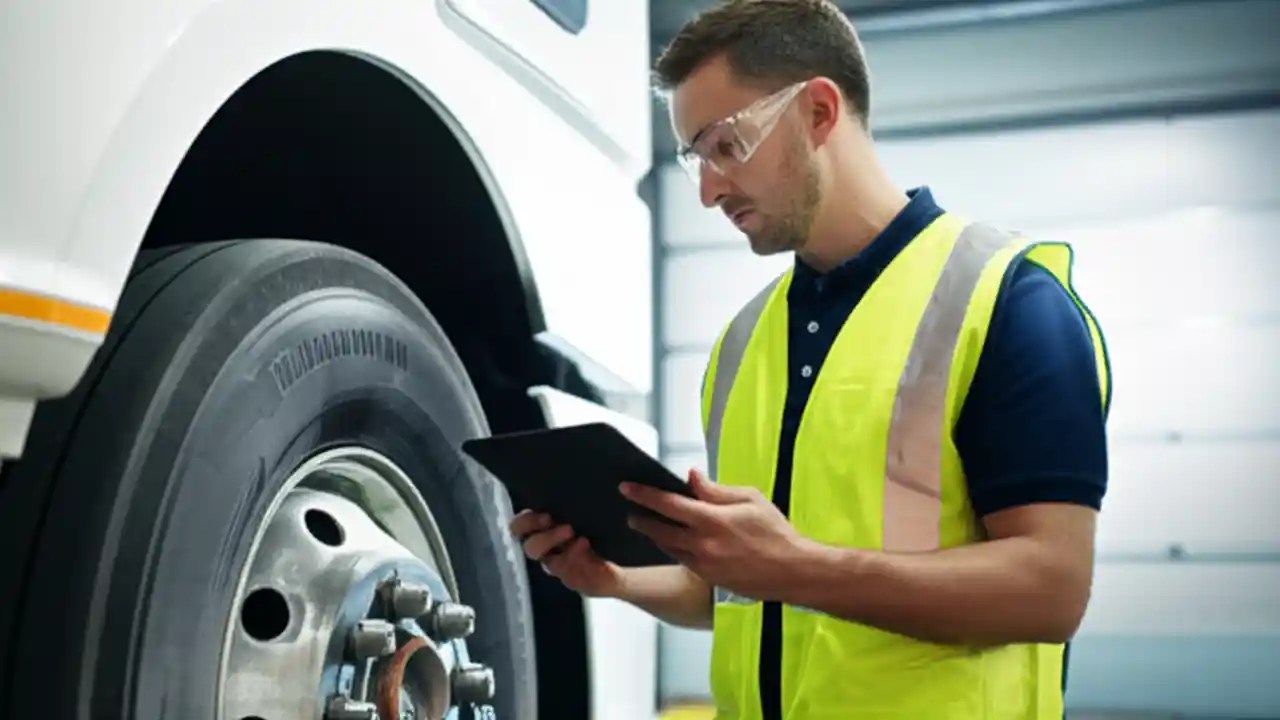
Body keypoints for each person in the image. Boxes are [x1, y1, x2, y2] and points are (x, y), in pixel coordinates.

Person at [508, 0, 1111, 717]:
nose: (706, 190)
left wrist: (792, 566)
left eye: (725, 146)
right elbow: (736, 593)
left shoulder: (1010, 302)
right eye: (694, 159)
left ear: (819, 112)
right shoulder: (744, 341)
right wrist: (616, 580)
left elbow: (1050, 589)